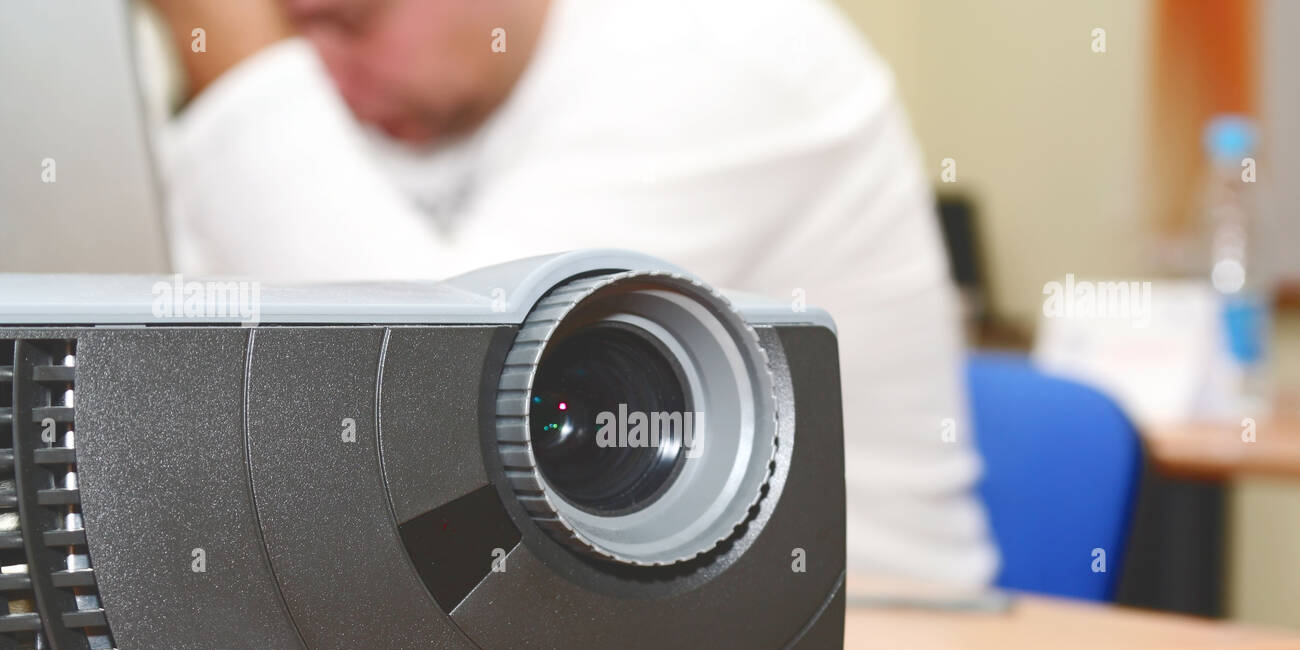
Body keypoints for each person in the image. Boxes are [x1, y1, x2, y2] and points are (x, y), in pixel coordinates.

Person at [147, 0, 997, 589]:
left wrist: (244, 79)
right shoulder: (404, 98)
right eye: (289, 41)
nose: (320, 77)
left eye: (342, 21)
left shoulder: (726, 47)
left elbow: (430, 419)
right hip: (561, 628)